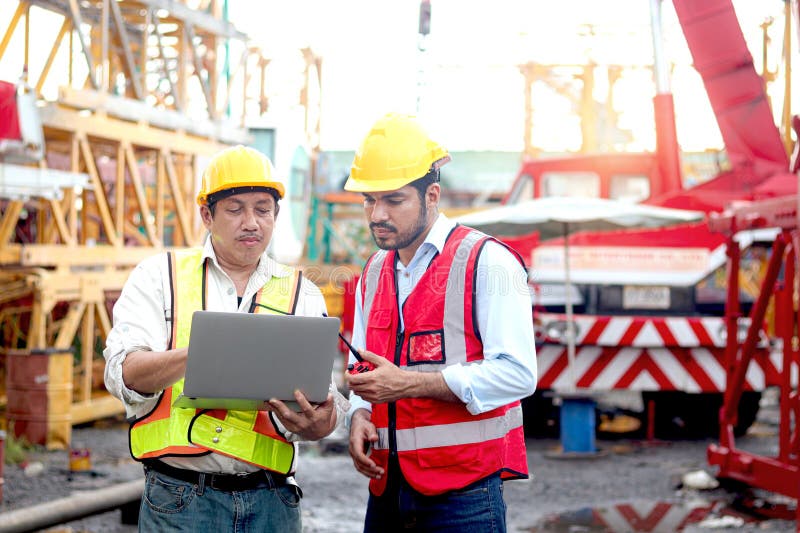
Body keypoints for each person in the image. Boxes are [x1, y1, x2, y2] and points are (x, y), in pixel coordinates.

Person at [104, 145, 348, 532]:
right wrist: (201, 354)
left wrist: (320, 422)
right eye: (235, 209)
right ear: (207, 214)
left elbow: (325, 411)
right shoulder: (158, 276)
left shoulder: (303, 292)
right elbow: (124, 374)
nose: (251, 222)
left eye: (262, 209)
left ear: (275, 216)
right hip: (181, 499)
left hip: (274, 502)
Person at [343, 113, 538, 532]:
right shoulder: (374, 272)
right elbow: (363, 369)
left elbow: (519, 374)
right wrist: (359, 415)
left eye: (393, 200)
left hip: (464, 494)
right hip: (386, 491)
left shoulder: (487, 261)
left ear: (432, 195)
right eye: (368, 200)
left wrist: (412, 384)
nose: (377, 214)